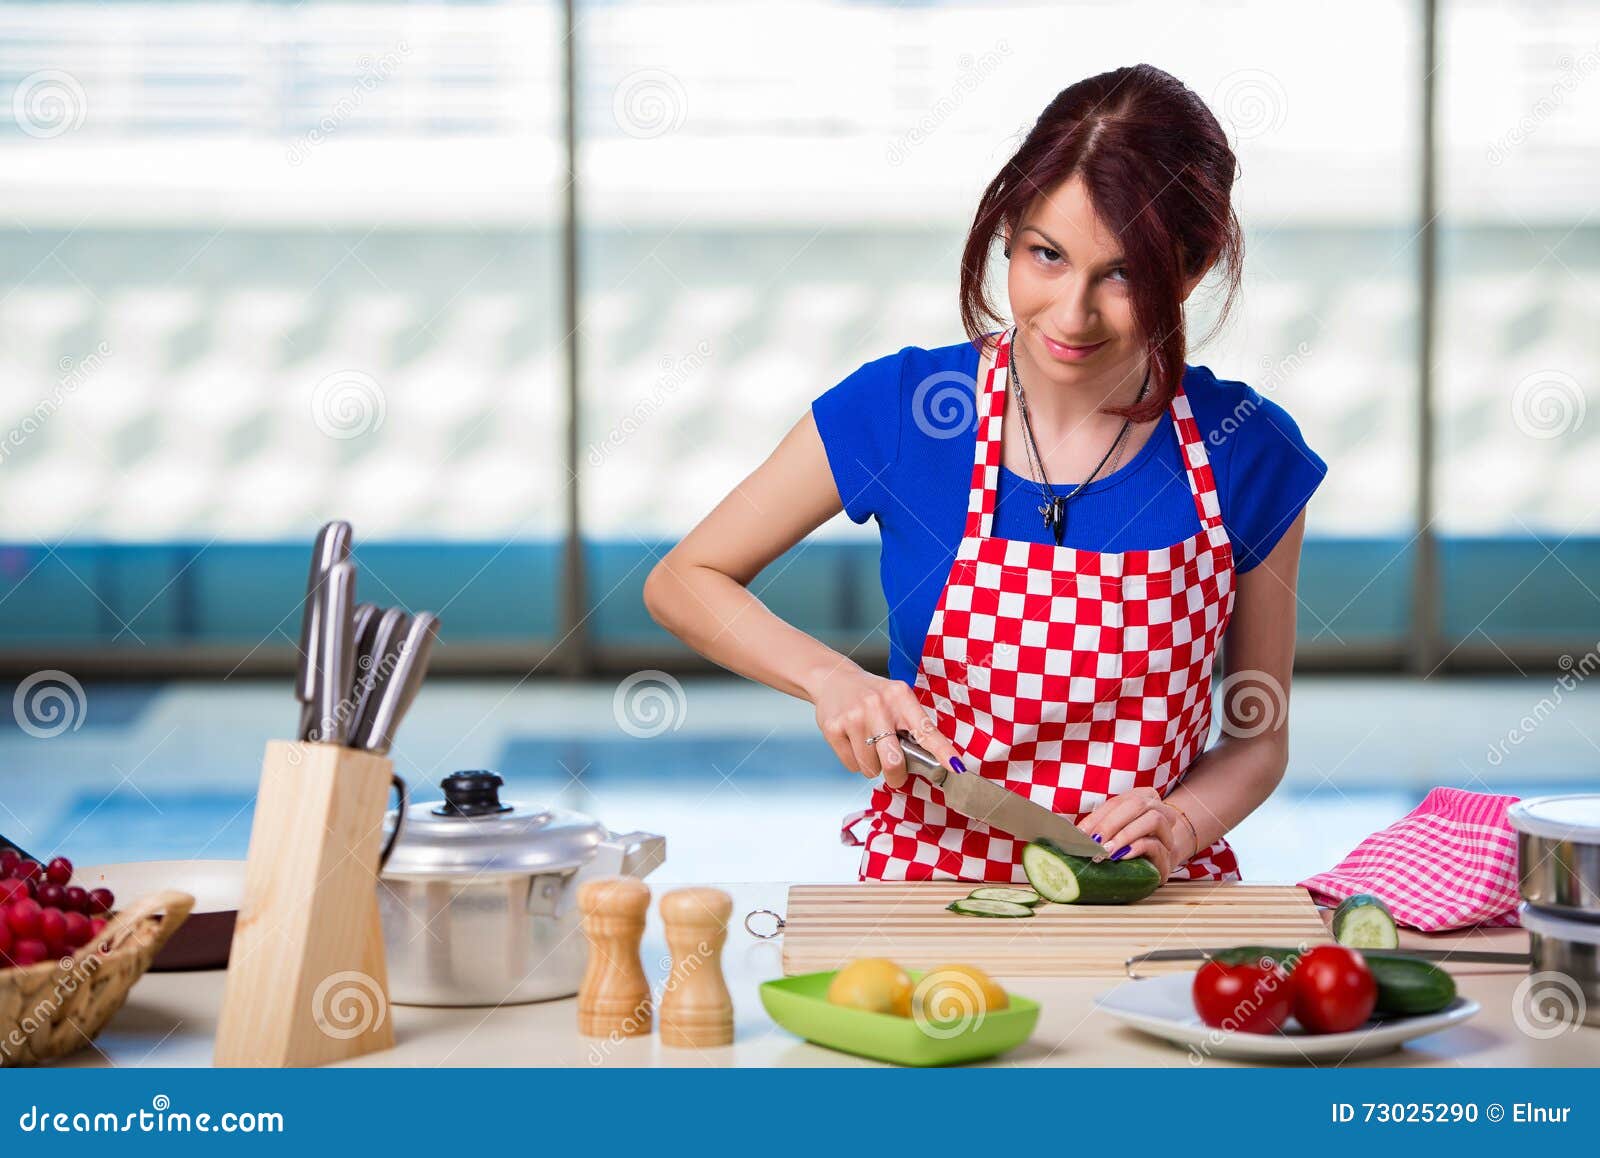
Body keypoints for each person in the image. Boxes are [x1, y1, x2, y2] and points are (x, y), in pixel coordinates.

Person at [644, 64, 1326, 884]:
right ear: (1007, 231)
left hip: (1151, 901)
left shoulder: (1247, 451)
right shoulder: (903, 411)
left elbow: (1259, 738)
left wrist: (1180, 822)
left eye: (1122, 275)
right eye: (1046, 255)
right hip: (928, 891)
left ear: (1190, 268)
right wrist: (829, 677)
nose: (1071, 315)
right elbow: (685, 579)